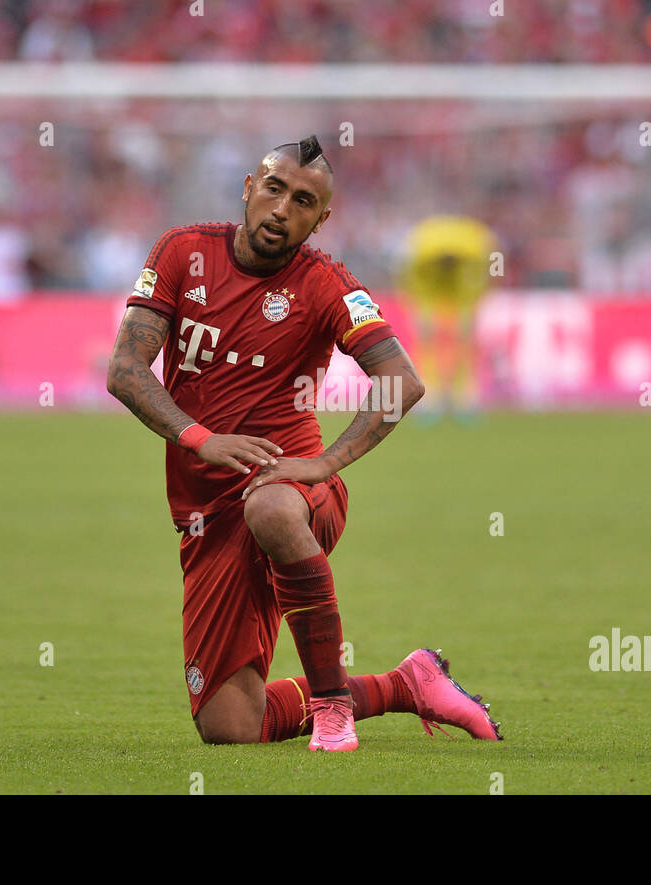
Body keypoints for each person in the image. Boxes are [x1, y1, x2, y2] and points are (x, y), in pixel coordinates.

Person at [106, 135, 502, 751]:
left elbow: (403, 381)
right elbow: (126, 370)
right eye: (274, 189)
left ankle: (332, 707)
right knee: (230, 728)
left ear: (321, 219)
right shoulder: (182, 253)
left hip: (292, 495)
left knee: (268, 503)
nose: (282, 209)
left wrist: (325, 463)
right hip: (206, 514)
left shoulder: (324, 283)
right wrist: (199, 438)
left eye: (303, 201)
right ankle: (408, 684)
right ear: (248, 188)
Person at [398, 214, 499, 421]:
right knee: (426, 342)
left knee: (465, 343)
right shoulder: (423, 257)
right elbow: (410, 282)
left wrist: (474, 306)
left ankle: (465, 397)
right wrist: (419, 311)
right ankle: (429, 395)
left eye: (452, 259)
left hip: (461, 296)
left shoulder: (473, 254)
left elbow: (491, 272)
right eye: (444, 260)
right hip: (430, 296)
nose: (448, 263)